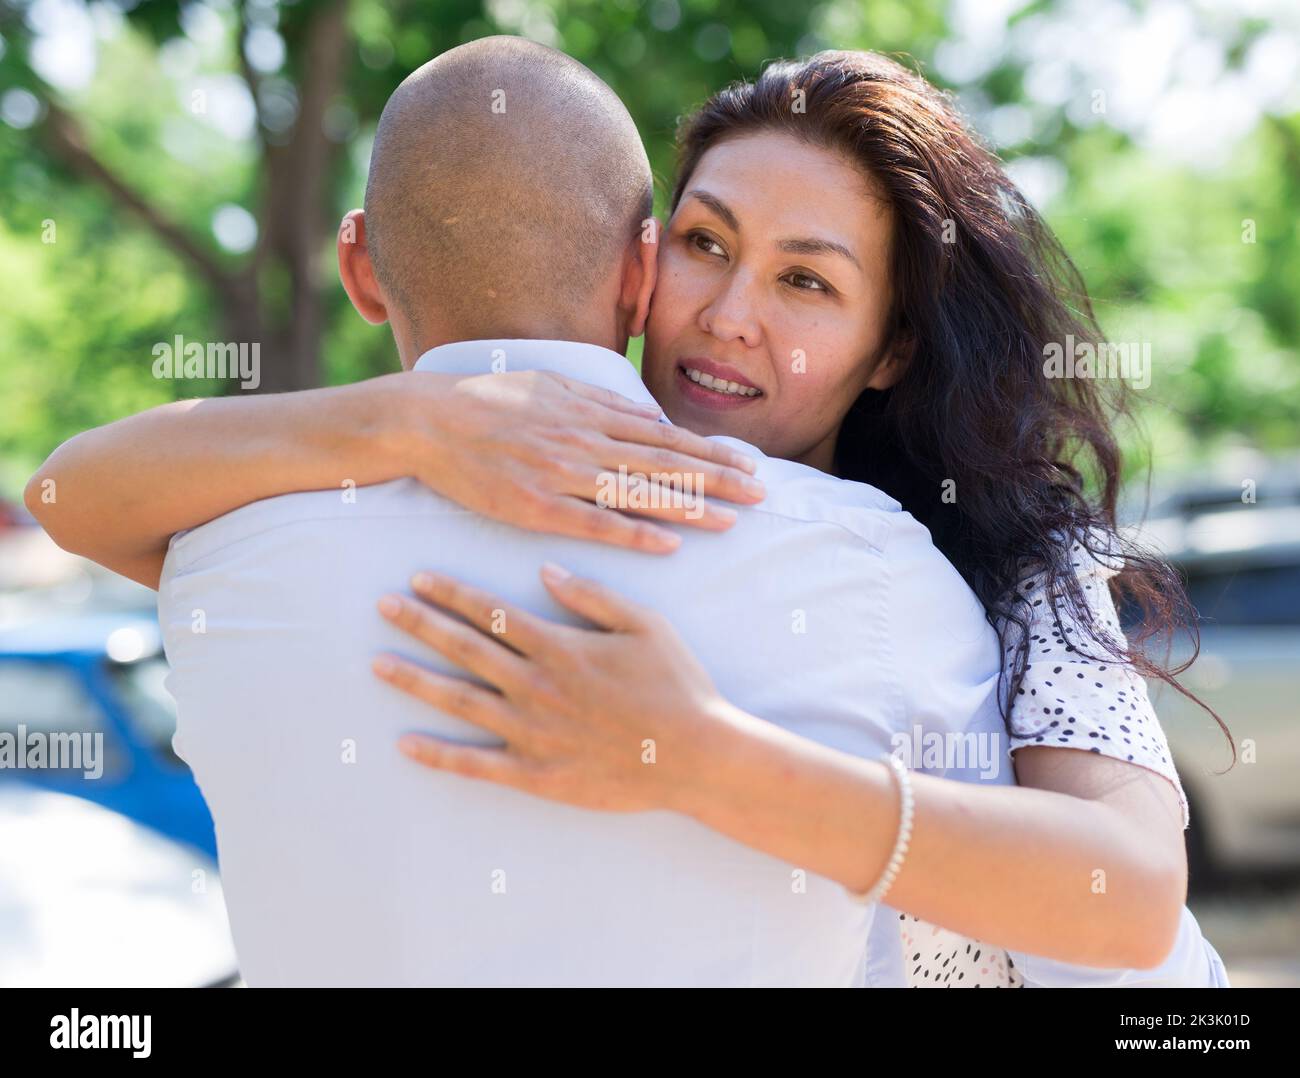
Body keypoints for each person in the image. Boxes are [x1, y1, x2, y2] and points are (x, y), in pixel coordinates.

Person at [27, 42, 1228, 986]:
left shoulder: (988, 572)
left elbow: (1125, 917)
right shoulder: (394, 485)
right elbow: (70, 492)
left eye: (806, 279)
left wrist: (698, 754)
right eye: (708, 246)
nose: (727, 315)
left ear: (890, 348)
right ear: (642, 268)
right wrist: (401, 420)